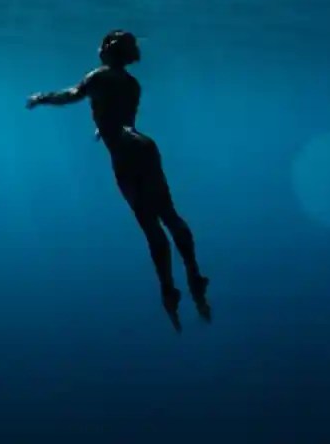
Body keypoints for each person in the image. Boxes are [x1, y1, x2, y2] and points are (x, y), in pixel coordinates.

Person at [27, 30, 210, 331]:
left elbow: (72, 96)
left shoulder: (98, 77)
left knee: (151, 227)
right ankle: (194, 273)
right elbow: (120, 116)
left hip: (125, 155)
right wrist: (104, 128)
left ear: (107, 51)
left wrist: (41, 98)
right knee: (170, 215)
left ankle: (169, 289)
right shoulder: (133, 84)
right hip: (145, 145)